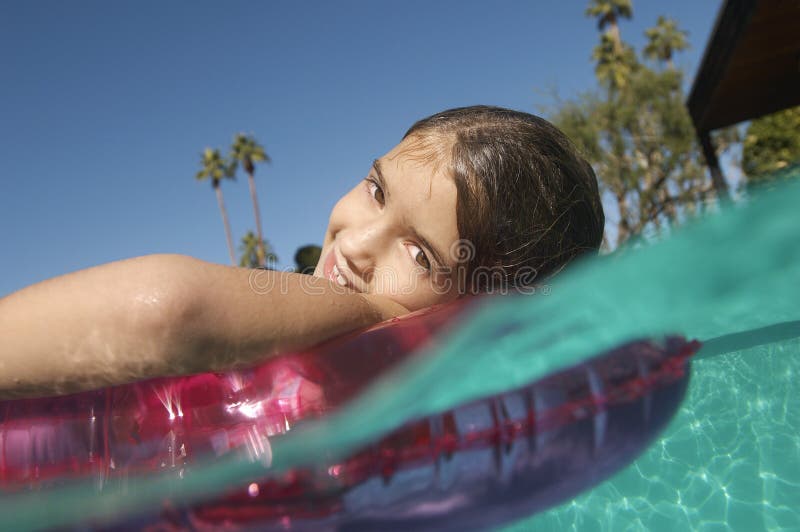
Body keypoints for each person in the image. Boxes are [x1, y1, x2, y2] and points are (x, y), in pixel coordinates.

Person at [0, 106, 604, 399]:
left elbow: (167, 310)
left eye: (422, 255)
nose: (357, 243)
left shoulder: (382, 326)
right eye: (375, 190)